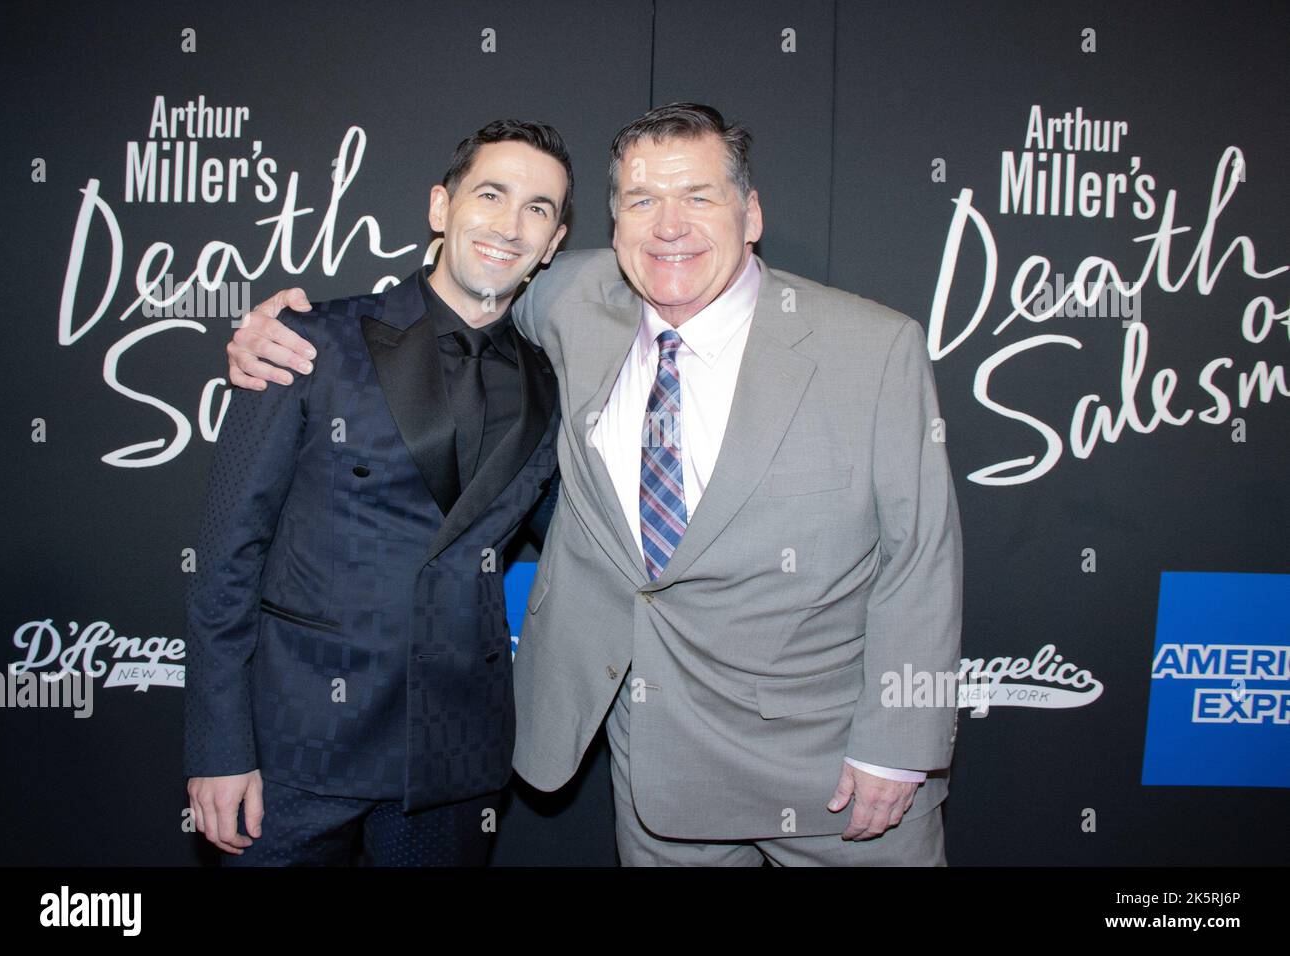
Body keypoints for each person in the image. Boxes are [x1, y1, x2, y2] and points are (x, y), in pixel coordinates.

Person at [228, 103, 963, 866]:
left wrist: (898, 746)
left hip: (834, 774)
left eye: (698, 196)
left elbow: (921, 557)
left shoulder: (872, 346)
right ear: (610, 227)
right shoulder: (570, 299)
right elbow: (454, 292)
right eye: (642, 201)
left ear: (751, 215)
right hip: (655, 768)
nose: (668, 225)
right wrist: (290, 324)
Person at [184, 119, 571, 866]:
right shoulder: (308, 341)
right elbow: (227, 556)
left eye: (538, 208)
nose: (510, 224)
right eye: (491, 194)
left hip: (452, 752)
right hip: (296, 743)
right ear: (440, 206)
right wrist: (218, 745)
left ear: (554, 243)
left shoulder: (551, 385)